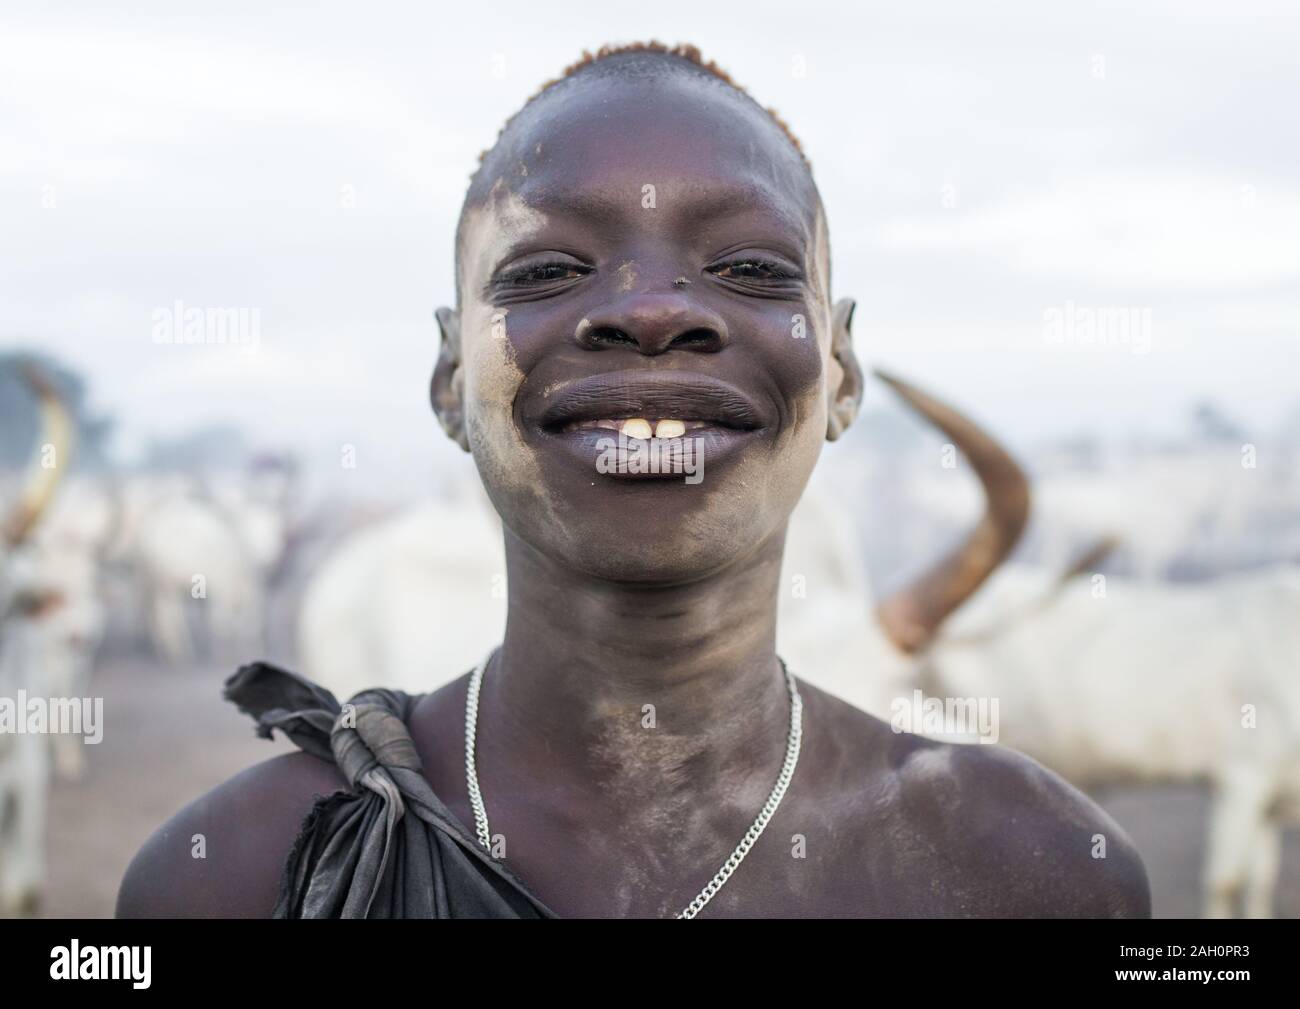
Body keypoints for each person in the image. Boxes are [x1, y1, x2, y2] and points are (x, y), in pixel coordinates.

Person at [118, 42, 1150, 918]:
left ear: (839, 374)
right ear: (448, 380)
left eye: (750, 269)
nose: (652, 311)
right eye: (545, 270)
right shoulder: (242, 877)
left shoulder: (1032, 869)